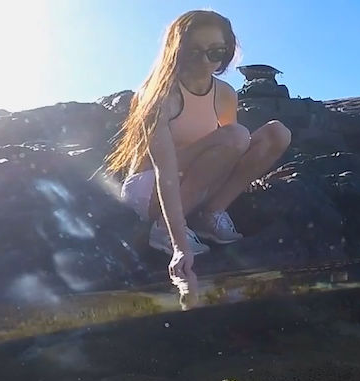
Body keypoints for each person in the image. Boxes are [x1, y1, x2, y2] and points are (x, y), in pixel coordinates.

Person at [104, 9, 292, 300]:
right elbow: (166, 170)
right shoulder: (158, 96)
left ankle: (211, 215)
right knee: (236, 135)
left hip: (194, 180)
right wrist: (179, 244)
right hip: (150, 188)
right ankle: (163, 232)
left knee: (276, 133)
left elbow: (230, 154)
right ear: (177, 52)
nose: (205, 62)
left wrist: (251, 179)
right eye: (194, 53)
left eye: (215, 52)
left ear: (226, 53)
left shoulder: (226, 94)